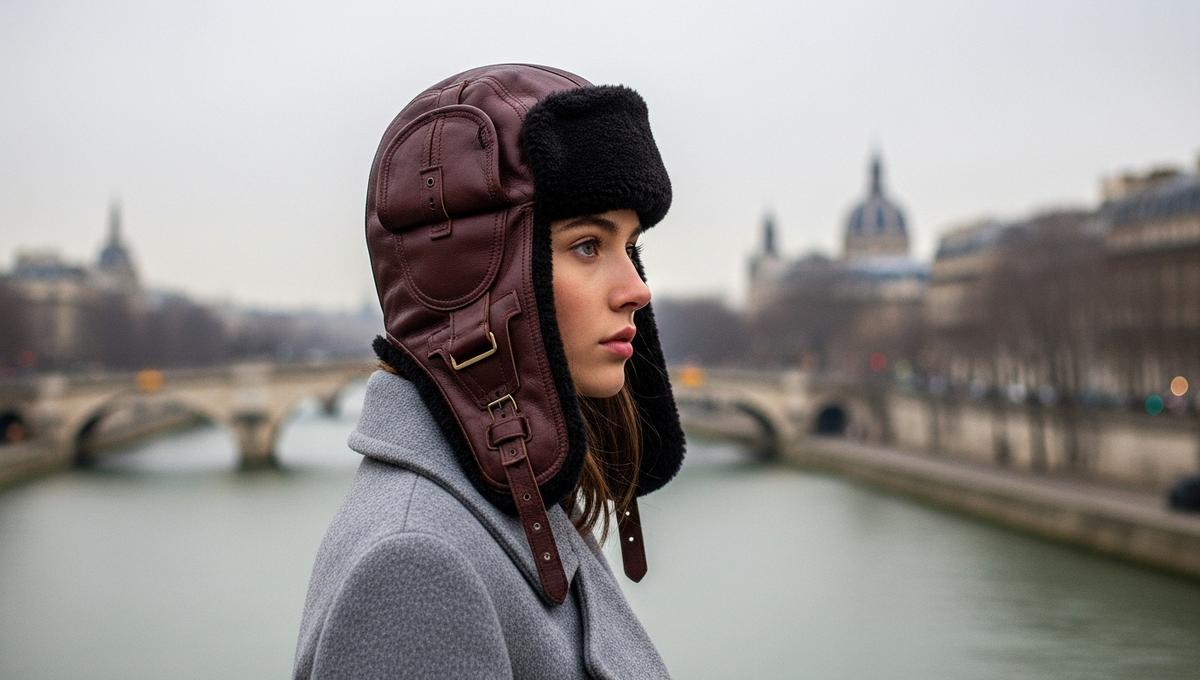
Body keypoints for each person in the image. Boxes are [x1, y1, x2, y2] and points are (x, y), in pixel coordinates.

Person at [292, 64, 687, 679]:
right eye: (589, 245)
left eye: (632, 247)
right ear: (477, 278)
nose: (636, 289)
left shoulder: (510, 496)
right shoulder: (414, 565)